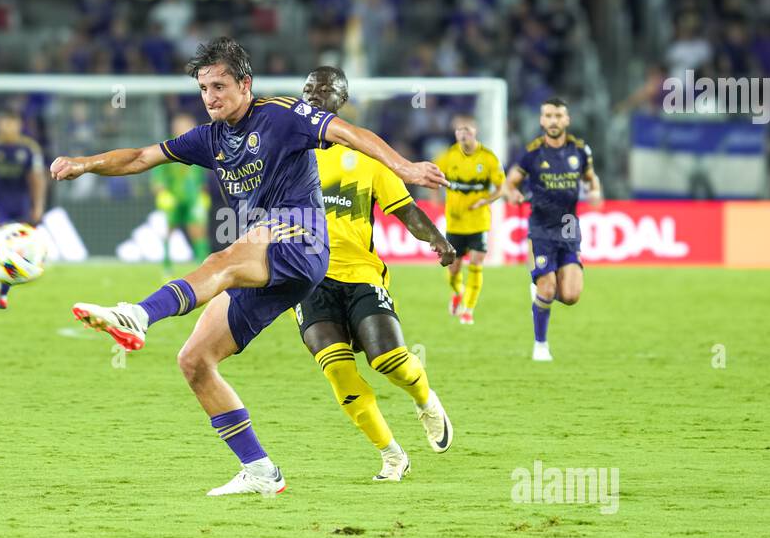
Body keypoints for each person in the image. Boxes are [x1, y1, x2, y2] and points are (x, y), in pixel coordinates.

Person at [50, 37, 446, 496]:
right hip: (273, 264)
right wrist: (85, 164)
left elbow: (349, 133)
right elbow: (142, 157)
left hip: (303, 237)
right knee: (195, 361)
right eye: (203, 88)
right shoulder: (210, 137)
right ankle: (260, 469)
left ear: (245, 84)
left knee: (224, 257)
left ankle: (138, 315)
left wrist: (406, 168)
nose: (210, 97)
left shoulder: (280, 115)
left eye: (219, 85)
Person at [296, 67, 457, 481]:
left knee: (388, 360)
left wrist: (437, 240)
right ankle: (391, 455)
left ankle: (425, 400)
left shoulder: (366, 152)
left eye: (326, 89)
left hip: (362, 274)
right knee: (338, 369)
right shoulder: (290, 149)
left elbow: (404, 209)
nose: (315, 95)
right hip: (308, 279)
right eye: (309, 88)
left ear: (342, 100)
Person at [500, 97, 603, 361]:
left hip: (569, 228)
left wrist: (595, 192)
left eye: (558, 116)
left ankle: (542, 287)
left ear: (567, 119)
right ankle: (540, 345)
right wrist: (511, 194)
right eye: (548, 116)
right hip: (541, 228)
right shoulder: (532, 153)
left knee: (570, 296)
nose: (553, 121)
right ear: (541, 120)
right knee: (547, 289)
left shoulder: (580, 151)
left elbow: (592, 179)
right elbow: (509, 183)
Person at [435, 113, 505, 325]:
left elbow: (501, 188)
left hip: (478, 223)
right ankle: (458, 292)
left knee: (476, 263)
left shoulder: (488, 158)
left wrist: (485, 201)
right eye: (459, 131)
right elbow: (433, 175)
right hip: (455, 223)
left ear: (475, 132)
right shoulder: (448, 156)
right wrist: (434, 197)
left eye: (467, 130)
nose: (463, 135)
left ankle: (468, 310)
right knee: (453, 268)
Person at [0, 110, 46, 309]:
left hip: (20, 205)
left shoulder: (29, 149)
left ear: (19, 125)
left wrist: (38, 206)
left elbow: (36, 180)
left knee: (15, 250)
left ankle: (4, 293)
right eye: (4, 122)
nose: (8, 127)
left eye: (12, 123)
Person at [151, 112, 209, 275]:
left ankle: (203, 266)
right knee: (170, 229)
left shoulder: (199, 148)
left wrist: (203, 194)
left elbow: (202, 176)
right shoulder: (167, 149)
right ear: (175, 128)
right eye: (182, 126)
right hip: (174, 197)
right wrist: (162, 193)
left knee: (198, 229)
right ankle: (166, 264)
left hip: (193, 198)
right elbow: (158, 176)